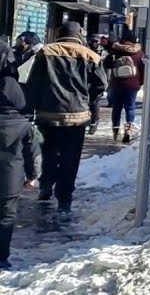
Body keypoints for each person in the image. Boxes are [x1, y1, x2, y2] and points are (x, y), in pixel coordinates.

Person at [25, 22, 108, 213]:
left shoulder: (46, 52)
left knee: (48, 153)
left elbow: (34, 83)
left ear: (60, 33)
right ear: (80, 35)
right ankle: (65, 198)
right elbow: (101, 85)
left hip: (48, 115)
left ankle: (45, 187)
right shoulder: (91, 56)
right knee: (70, 158)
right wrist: (87, 100)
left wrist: (31, 108)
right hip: (77, 117)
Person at [0, 40, 31, 269]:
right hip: (10, 178)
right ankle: (2, 257)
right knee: (6, 215)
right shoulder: (23, 125)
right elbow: (32, 152)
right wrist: (32, 175)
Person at [105, 29, 145, 144]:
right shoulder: (139, 53)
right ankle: (128, 130)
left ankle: (115, 131)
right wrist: (140, 82)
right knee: (130, 107)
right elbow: (144, 69)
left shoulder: (116, 51)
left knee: (116, 108)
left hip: (116, 84)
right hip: (133, 85)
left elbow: (106, 64)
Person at [13, 32, 42, 189]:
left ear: (28, 42)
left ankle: (32, 173)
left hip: (29, 103)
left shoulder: (36, 56)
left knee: (30, 140)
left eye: (20, 41)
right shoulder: (28, 54)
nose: (18, 44)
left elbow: (25, 79)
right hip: (26, 103)